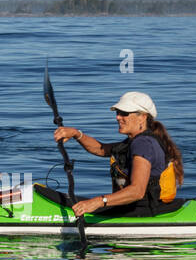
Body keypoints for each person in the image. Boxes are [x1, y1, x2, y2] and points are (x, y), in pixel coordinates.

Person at [52, 91, 184, 217]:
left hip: (141, 211)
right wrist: (76, 134)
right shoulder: (135, 142)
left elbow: (137, 191)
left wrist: (97, 202)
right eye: (118, 112)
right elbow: (100, 149)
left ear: (142, 117)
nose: (118, 117)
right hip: (132, 207)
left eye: (124, 113)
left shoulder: (143, 144)